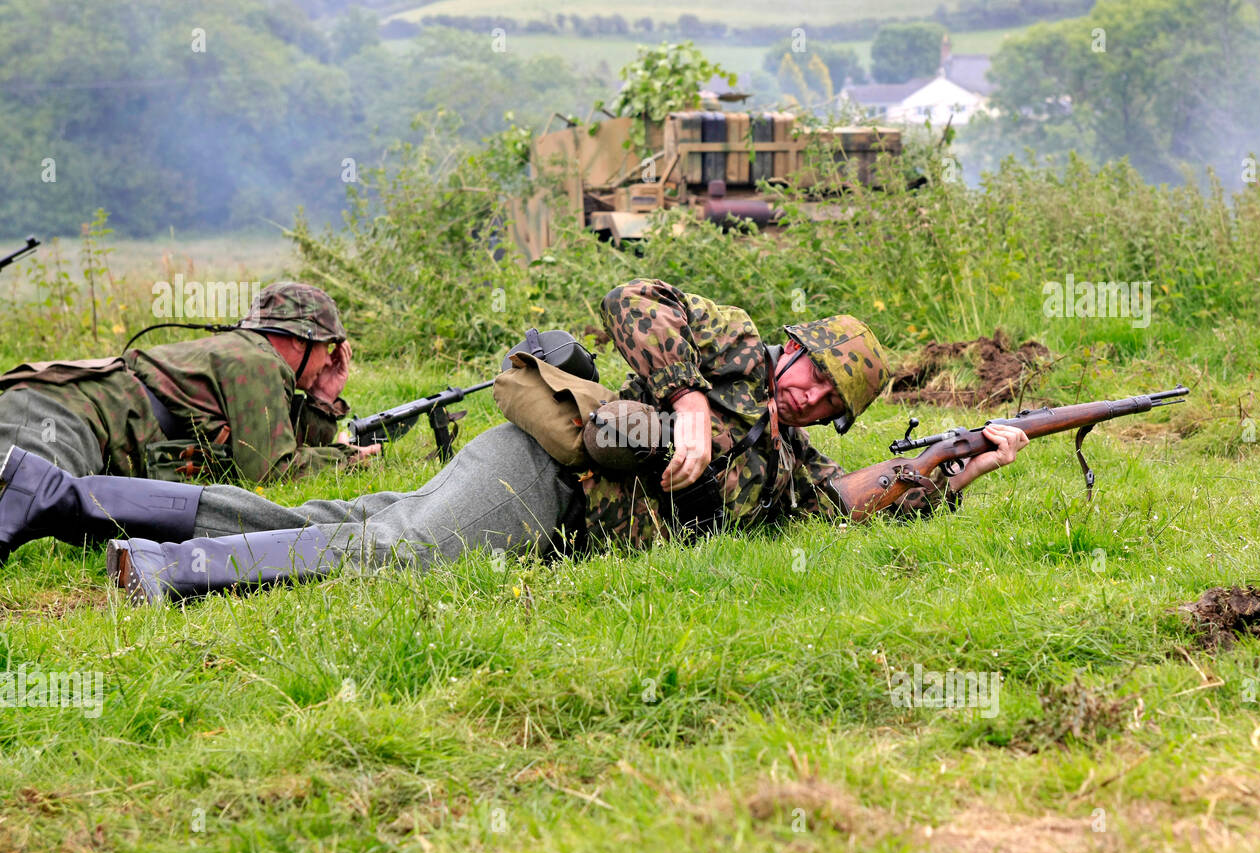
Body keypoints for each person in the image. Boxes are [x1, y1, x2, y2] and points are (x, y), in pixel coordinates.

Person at [0, 278, 1028, 603]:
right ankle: (176, 575)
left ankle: (64, 502)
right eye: (808, 369)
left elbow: (847, 502)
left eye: (825, 399)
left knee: (344, 516)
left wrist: (954, 466)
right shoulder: (726, 347)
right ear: (793, 345)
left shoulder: (792, 471)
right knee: (398, 553)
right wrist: (690, 401)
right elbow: (631, 297)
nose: (802, 392)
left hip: (553, 528)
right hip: (542, 470)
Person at [0, 281, 380, 484]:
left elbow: (270, 444)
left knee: (38, 499)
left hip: (69, 412)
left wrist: (324, 397)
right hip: (63, 411)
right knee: (23, 493)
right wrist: (345, 460)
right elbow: (270, 471)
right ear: (300, 339)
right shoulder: (259, 362)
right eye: (327, 347)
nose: (330, 359)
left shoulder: (251, 357)